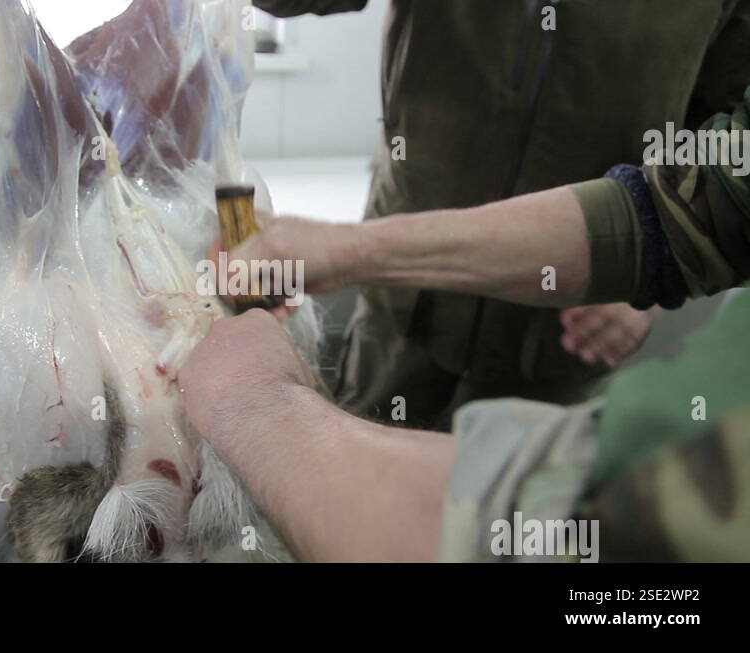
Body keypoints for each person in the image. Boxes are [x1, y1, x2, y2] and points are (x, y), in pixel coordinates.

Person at [177, 85, 750, 562]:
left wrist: (254, 402)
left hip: (551, 351)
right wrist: (350, 251)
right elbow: (681, 208)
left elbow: (575, 538)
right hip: (406, 326)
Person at [253, 0, 750, 430]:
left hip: (572, 328)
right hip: (403, 312)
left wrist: (653, 262)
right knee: (355, 504)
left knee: (525, 525)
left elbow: (721, 145)